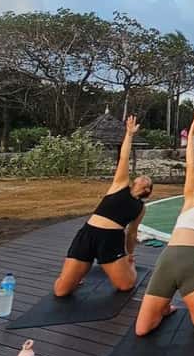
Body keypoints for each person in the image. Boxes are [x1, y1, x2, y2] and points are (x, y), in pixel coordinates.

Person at [135, 113, 194, 335]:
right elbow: (191, 165)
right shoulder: (193, 200)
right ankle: (165, 308)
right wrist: (192, 138)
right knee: (142, 329)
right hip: (169, 260)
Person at [54, 115, 152, 297]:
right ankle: (77, 272)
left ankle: (124, 267)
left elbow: (131, 233)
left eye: (149, 181)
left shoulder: (140, 207)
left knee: (126, 285)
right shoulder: (120, 186)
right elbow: (123, 158)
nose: (145, 178)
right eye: (142, 177)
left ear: (147, 189)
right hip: (88, 234)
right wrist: (129, 134)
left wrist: (129, 255)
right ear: (134, 182)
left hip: (111, 240)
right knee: (61, 291)